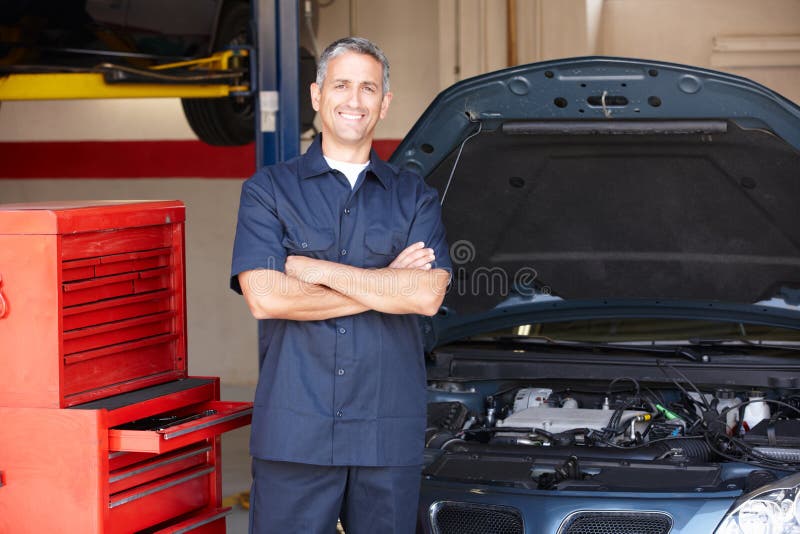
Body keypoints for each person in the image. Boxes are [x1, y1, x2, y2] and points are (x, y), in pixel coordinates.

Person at [230, 37, 452, 534]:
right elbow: (266, 298)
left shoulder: (414, 197)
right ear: (317, 94)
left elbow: (425, 295)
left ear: (385, 103)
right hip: (295, 432)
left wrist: (320, 271)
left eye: (368, 88)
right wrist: (386, 284)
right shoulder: (269, 190)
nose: (355, 100)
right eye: (341, 85)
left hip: (385, 433)